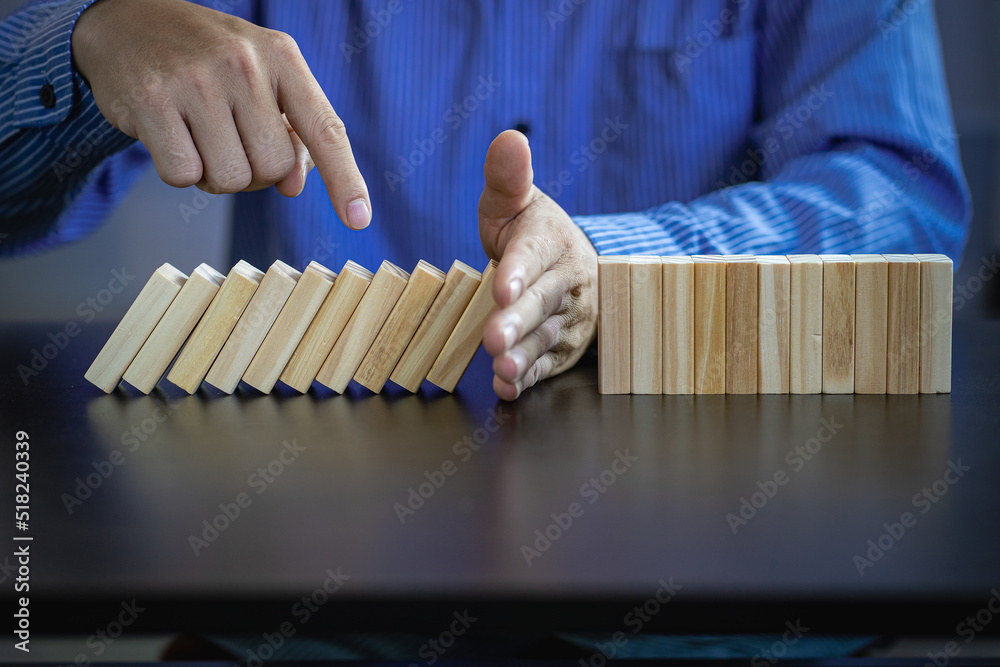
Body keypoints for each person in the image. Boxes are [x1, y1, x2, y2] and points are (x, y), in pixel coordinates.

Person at [0, 0, 970, 401]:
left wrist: (616, 263)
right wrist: (88, 45)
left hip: (717, 602)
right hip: (320, 598)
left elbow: (905, 195)